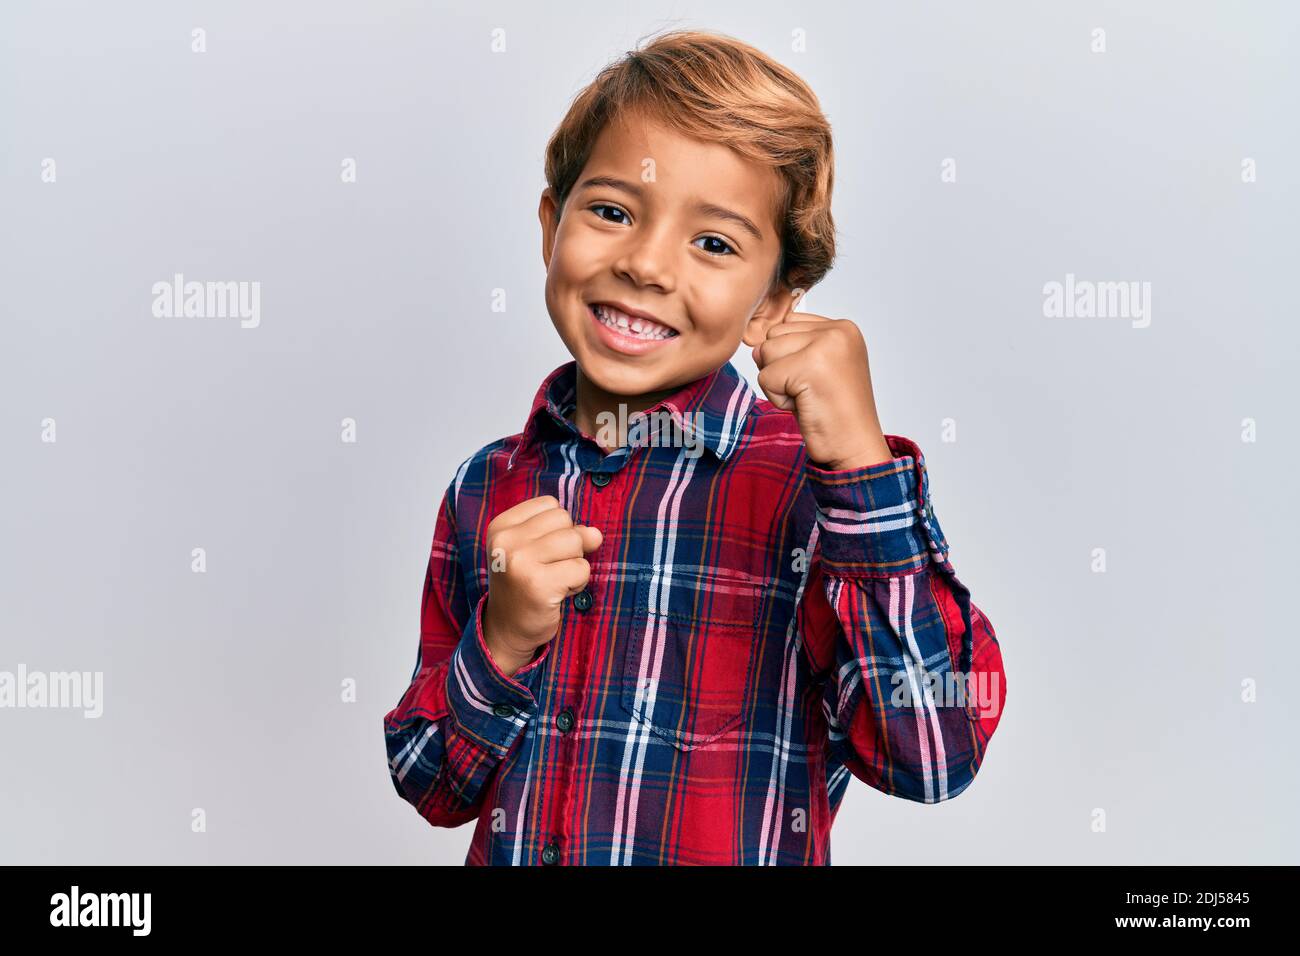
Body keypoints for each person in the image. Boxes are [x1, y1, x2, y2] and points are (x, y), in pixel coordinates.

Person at [384, 28, 1007, 865]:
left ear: (771, 306)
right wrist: (500, 642)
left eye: (713, 243)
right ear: (549, 229)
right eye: (611, 211)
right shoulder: (484, 488)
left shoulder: (813, 492)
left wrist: (860, 466)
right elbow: (431, 785)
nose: (645, 263)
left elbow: (934, 752)